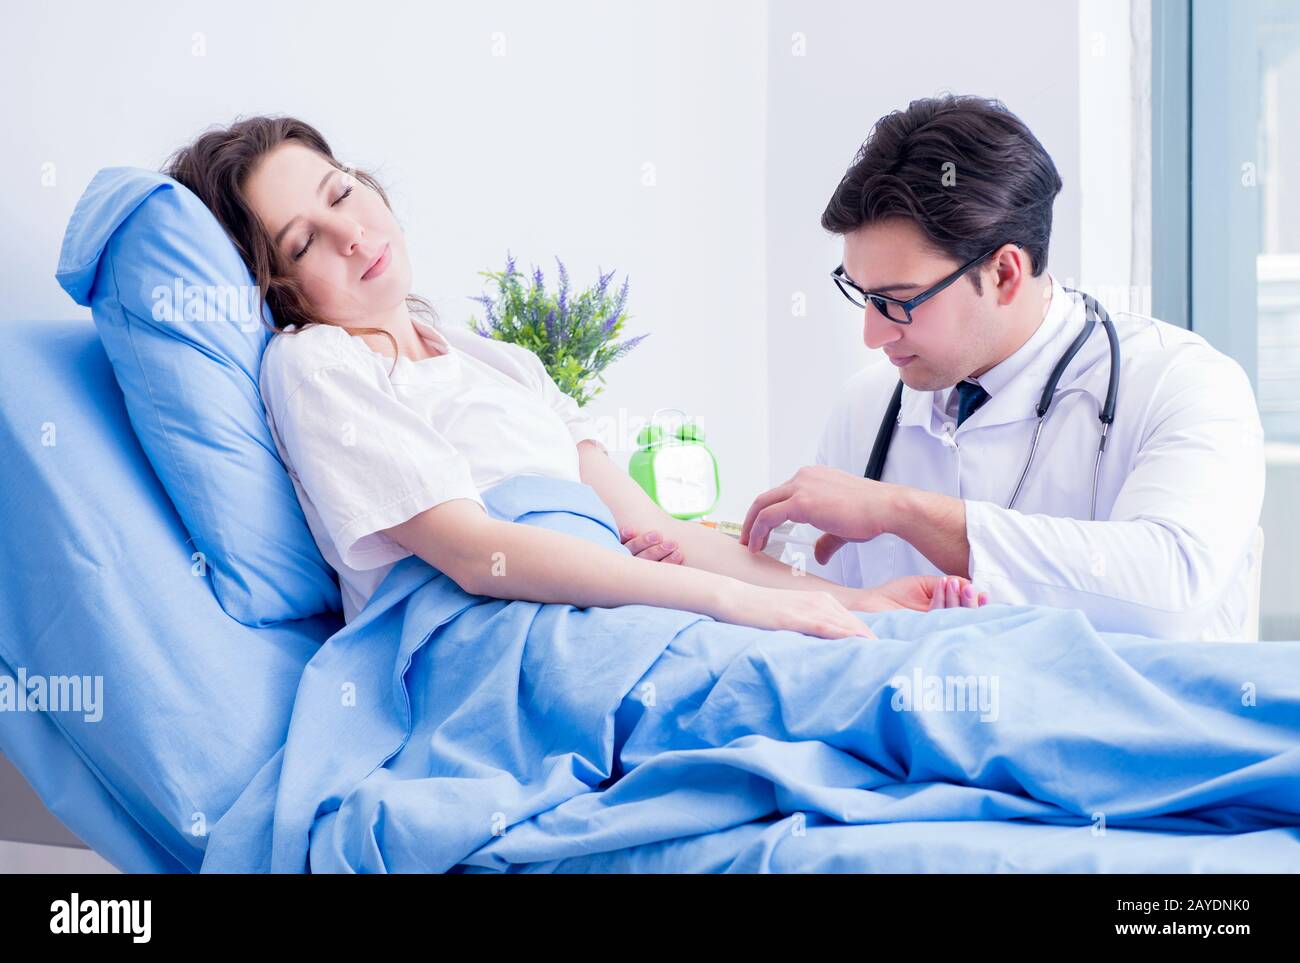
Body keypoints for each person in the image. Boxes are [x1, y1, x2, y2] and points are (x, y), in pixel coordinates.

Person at [163, 115, 989, 638]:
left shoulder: (492, 361)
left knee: (930, 659)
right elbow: (475, 554)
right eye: (303, 243)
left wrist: (849, 603)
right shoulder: (315, 363)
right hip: (500, 637)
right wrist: (727, 605)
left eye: (342, 193)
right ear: (277, 288)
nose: (349, 233)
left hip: (610, 609)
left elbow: (660, 529)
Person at [633, 95, 1264, 641]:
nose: (873, 333)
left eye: (900, 301)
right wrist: (693, 571)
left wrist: (904, 511)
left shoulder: (1182, 384)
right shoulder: (868, 407)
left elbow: (1172, 590)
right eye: (862, 294)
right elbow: (823, 606)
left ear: (1005, 272)